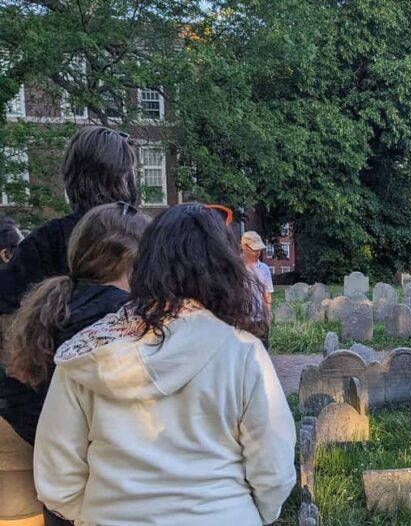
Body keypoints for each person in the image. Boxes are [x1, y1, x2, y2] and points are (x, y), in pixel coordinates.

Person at [34, 204, 296, 526]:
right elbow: (274, 468)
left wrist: (100, 514)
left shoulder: (87, 353)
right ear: (224, 269)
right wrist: (252, 514)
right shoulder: (242, 352)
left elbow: (56, 476)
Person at [1, 203, 149, 526]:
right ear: (131, 258)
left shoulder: (48, 312)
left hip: (60, 497)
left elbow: (12, 395)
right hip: (114, 498)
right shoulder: (130, 321)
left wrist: (46, 435)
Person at [0, 126, 138, 314]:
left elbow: (7, 305)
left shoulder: (44, 240)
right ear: (124, 177)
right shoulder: (146, 237)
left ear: (70, 175)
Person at [241, 231, 274, 343]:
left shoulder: (264, 269)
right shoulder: (235, 267)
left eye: (259, 249)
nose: (258, 252)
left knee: (262, 354)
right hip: (240, 321)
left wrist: (267, 317)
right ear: (245, 247)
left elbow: (267, 295)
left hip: (260, 320)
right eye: (255, 249)